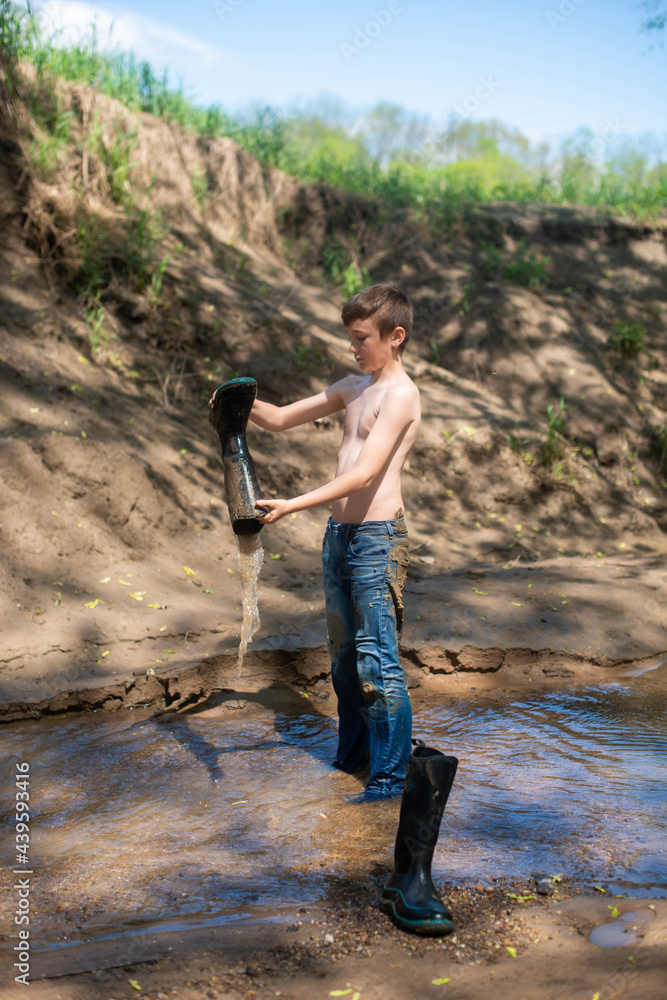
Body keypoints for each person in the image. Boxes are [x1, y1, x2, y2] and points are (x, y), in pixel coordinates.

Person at [249, 284, 421, 801]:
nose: (353, 348)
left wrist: (291, 505)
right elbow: (278, 419)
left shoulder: (402, 394)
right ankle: (352, 761)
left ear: (395, 337)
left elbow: (365, 474)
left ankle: (390, 781)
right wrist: (237, 400)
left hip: (376, 541)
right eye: (349, 338)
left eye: (361, 338)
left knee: (377, 660)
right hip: (339, 539)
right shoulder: (352, 387)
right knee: (344, 658)